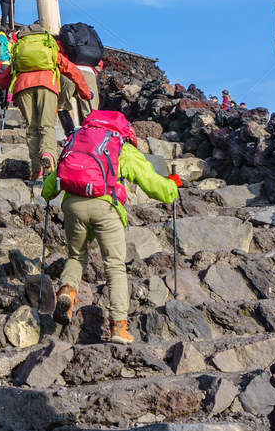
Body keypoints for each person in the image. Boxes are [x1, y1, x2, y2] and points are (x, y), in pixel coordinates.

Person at [42, 110, 180, 344]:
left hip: (73, 205)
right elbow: (153, 185)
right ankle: (119, 327)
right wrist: (172, 187)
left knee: (76, 256)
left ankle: (67, 291)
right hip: (106, 206)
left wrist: (48, 194)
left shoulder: (78, 141)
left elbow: (50, 185)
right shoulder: (122, 147)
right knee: (115, 267)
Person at [0, 26, 92, 180]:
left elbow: (4, 78)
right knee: (46, 125)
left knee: (31, 128)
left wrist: (0, 85)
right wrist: (85, 93)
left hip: (23, 88)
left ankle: (36, 170)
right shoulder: (48, 46)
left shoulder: (21, 48)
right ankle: (48, 155)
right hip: (47, 85)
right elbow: (71, 69)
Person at [57, 21, 105, 136]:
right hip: (89, 71)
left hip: (69, 71)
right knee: (90, 110)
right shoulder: (90, 39)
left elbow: (58, 57)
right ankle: (90, 137)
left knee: (62, 105)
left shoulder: (62, 40)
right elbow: (100, 62)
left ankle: (69, 132)